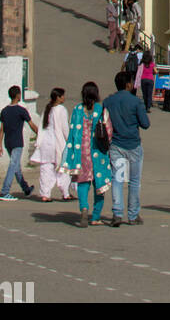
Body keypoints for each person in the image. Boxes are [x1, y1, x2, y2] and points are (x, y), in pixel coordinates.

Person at [59, 81, 113, 226]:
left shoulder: (77, 110)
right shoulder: (100, 109)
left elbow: (72, 131)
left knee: (83, 183)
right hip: (98, 153)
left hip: (81, 153)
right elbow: (109, 131)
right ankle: (95, 217)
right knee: (99, 185)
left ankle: (84, 208)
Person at [103, 70, 150, 226]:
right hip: (133, 144)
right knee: (134, 181)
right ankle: (133, 214)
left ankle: (117, 212)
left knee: (117, 178)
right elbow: (145, 124)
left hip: (116, 144)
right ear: (129, 84)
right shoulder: (135, 102)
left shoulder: (108, 101)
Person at [0, 85, 38, 201]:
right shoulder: (21, 110)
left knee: (16, 167)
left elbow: (1, 130)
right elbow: (32, 125)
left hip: (7, 142)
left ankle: (26, 189)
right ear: (18, 95)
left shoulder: (4, 111)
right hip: (17, 142)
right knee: (13, 165)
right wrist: (40, 134)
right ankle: (5, 191)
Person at [30, 88, 72, 201]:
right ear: (58, 97)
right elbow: (64, 128)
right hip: (57, 143)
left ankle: (45, 194)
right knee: (62, 167)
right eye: (62, 96)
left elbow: (42, 127)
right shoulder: (61, 109)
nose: (64, 98)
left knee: (46, 169)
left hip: (45, 143)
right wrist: (70, 140)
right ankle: (66, 193)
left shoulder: (47, 109)